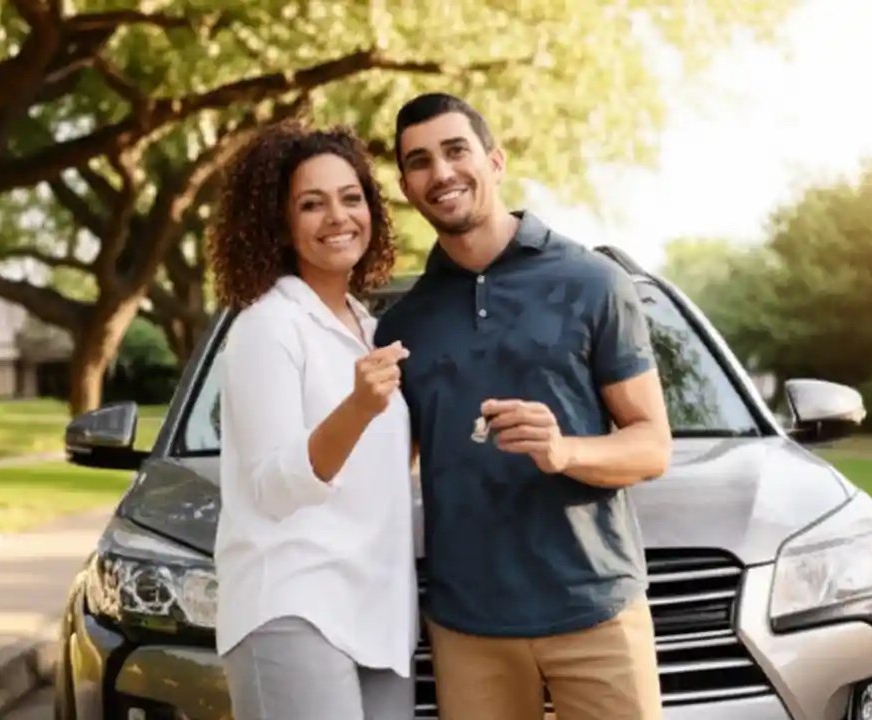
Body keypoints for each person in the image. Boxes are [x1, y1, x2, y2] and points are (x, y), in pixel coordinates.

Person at [374, 93, 674, 720]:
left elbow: (651, 444)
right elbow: (378, 476)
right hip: (467, 627)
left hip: (595, 610)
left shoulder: (593, 282)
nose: (443, 173)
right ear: (406, 186)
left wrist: (563, 449)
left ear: (495, 159)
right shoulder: (404, 325)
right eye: (420, 162)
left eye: (457, 151)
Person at [208, 119, 417, 720]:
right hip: (294, 603)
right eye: (311, 204)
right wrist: (356, 409)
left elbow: (379, 468)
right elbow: (273, 486)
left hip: (377, 611)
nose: (338, 217)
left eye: (352, 198)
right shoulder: (267, 326)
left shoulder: (368, 328)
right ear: (277, 222)